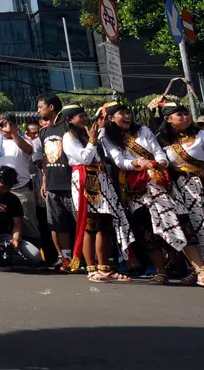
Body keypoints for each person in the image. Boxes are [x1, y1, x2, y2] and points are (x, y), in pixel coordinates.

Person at [99, 103, 183, 285]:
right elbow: (120, 162)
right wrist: (139, 162)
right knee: (148, 229)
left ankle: (176, 263)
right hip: (134, 188)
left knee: (168, 223)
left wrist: (160, 162)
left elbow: (158, 151)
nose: (127, 116)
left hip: (157, 182)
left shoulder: (143, 130)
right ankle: (161, 271)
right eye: (122, 113)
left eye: (129, 112)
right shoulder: (108, 137)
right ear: (111, 118)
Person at [62, 105, 131, 282]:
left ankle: (104, 267)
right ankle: (91, 268)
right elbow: (84, 158)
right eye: (79, 116)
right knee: (90, 223)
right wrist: (92, 140)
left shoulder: (88, 133)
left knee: (105, 222)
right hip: (86, 178)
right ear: (69, 120)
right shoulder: (68, 137)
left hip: (101, 178)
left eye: (84, 115)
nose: (84, 118)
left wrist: (95, 136)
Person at [155, 100, 204, 289]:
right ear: (168, 119)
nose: (185, 117)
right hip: (181, 191)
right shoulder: (163, 141)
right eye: (179, 115)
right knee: (189, 228)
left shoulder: (201, 136)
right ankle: (200, 271)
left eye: (186, 113)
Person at [0, 109, 41, 242]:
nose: (3, 127)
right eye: (2, 124)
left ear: (15, 125)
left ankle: (35, 252)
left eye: (7, 123)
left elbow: (29, 150)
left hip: (21, 188)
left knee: (28, 222)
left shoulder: (24, 140)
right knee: (3, 222)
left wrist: (13, 133)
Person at [38, 103, 79, 270]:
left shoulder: (68, 128)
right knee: (59, 225)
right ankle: (67, 258)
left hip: (71, 183)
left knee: (80, 223)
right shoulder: (43, 132)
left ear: (51, 107)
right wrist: (44, 181)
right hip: (52, 185)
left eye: (41, 107)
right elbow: (45, 158)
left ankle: (85, 257)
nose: (39, 110)